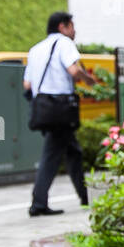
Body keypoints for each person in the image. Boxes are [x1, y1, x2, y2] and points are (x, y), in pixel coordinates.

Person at [23, 12, 97, 217]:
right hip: (60, 109)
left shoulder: (35, 49)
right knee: (51, 155)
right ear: (62, 27)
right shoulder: (64, 43)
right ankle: (38, 203)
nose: (74, 31)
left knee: (73, 152)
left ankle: (85, 197)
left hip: (43, 108)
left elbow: (27, 84)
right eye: (72, 26)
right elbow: (73, 71)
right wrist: (88, 80)